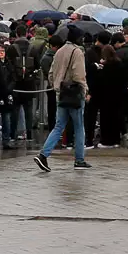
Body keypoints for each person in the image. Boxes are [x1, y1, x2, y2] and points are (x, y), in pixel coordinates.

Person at [35, 32, 90, 171]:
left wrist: (57, 87)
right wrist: (85, 91)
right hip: (74, 93)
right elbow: (79, 75)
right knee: (78, 126)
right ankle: (79, 159)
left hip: (61, 93)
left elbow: (51, 73)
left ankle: (43, 154)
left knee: (59, 126)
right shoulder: (77, 52)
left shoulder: (59, 51)